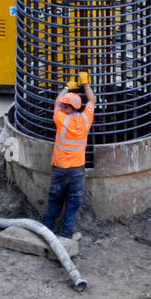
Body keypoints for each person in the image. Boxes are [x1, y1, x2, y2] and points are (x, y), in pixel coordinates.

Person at [42, 77, 94, 239]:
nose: (62, 107)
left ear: (67, 107)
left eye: (65, 105)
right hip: (77, 170)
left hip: (60, 168)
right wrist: (85, 84)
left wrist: (66, 87)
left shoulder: (61, 119)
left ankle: (46, 231)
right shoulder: (86, 119)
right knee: (73, 203)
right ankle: (66, 234)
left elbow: (57, 103)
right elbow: (92, 100)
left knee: (54, 200)